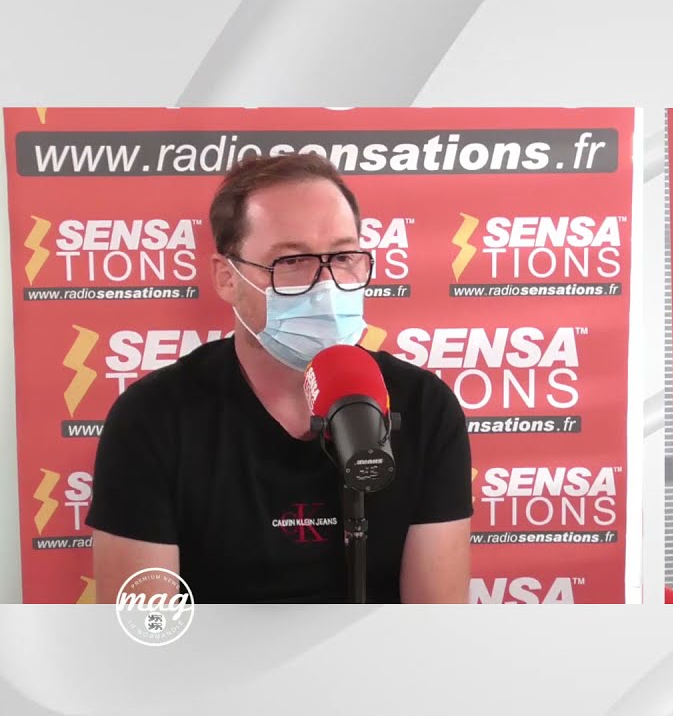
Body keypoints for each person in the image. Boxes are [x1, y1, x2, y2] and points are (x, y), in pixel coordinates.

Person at [87, 153, 473, 603]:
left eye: (345, 256)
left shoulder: (425, 405)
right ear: (228, 278)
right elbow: (144, 634)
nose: (326, 284)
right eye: (291, 261)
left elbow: (432, 627)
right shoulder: (153, 417)